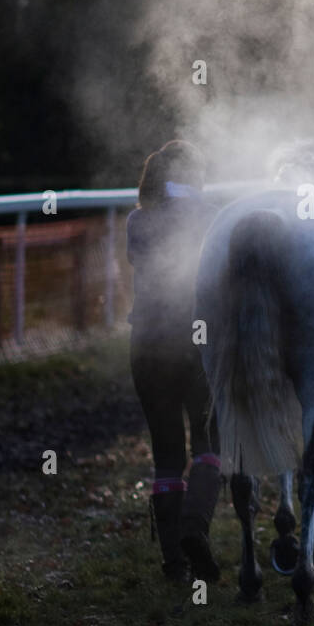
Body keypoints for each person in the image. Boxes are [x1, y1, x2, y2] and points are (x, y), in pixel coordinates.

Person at [127, 140, 221, 582]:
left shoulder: (137, 222)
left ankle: (173, 566)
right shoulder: (213, 218)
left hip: (145, 346)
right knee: (209, 444)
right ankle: (194, 528)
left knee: (166, 455)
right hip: (198, 344)